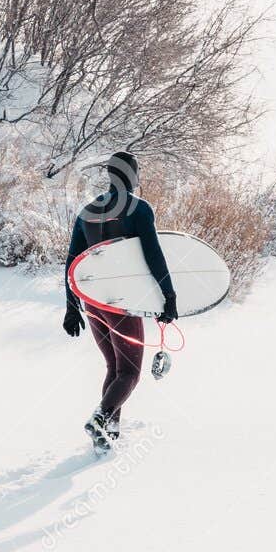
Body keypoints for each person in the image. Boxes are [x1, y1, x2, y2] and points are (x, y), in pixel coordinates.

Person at [62, 151, 177, 451]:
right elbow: (153, 256)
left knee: (114, 368)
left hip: (94, 301)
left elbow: (73, 262)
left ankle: (107, 436)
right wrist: (169, 296)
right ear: (132, 176)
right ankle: (101, 419)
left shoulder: (87, 210)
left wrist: (71, 307)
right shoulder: (139, 209)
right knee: (129, 372)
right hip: (122, 301)